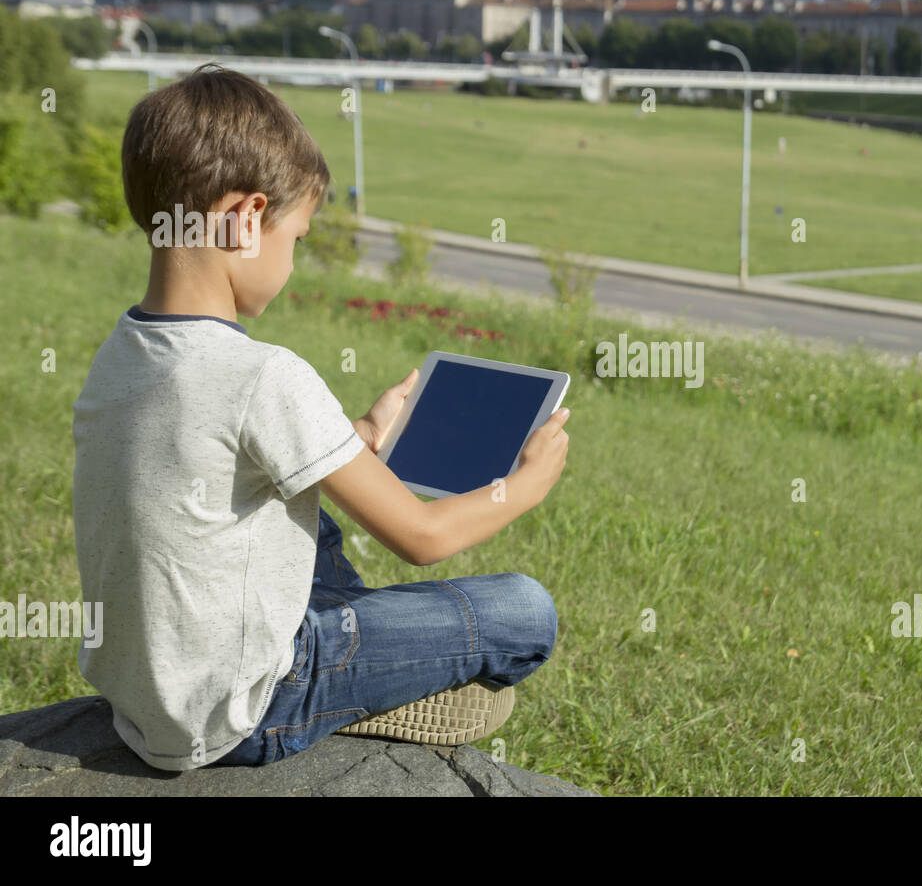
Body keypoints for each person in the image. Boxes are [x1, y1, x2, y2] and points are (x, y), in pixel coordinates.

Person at [71, 63, 568, 771]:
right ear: (246, 220)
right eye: (297, 238)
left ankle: (376, 647)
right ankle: (365, 683)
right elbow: (422, 537)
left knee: (310, 508)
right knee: (525, 610)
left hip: (143, 700)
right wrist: (526, 485)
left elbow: (206, 461)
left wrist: (358, 440)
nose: (295, 263)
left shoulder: (118, 351)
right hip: (247, 708)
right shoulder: (263, 374)